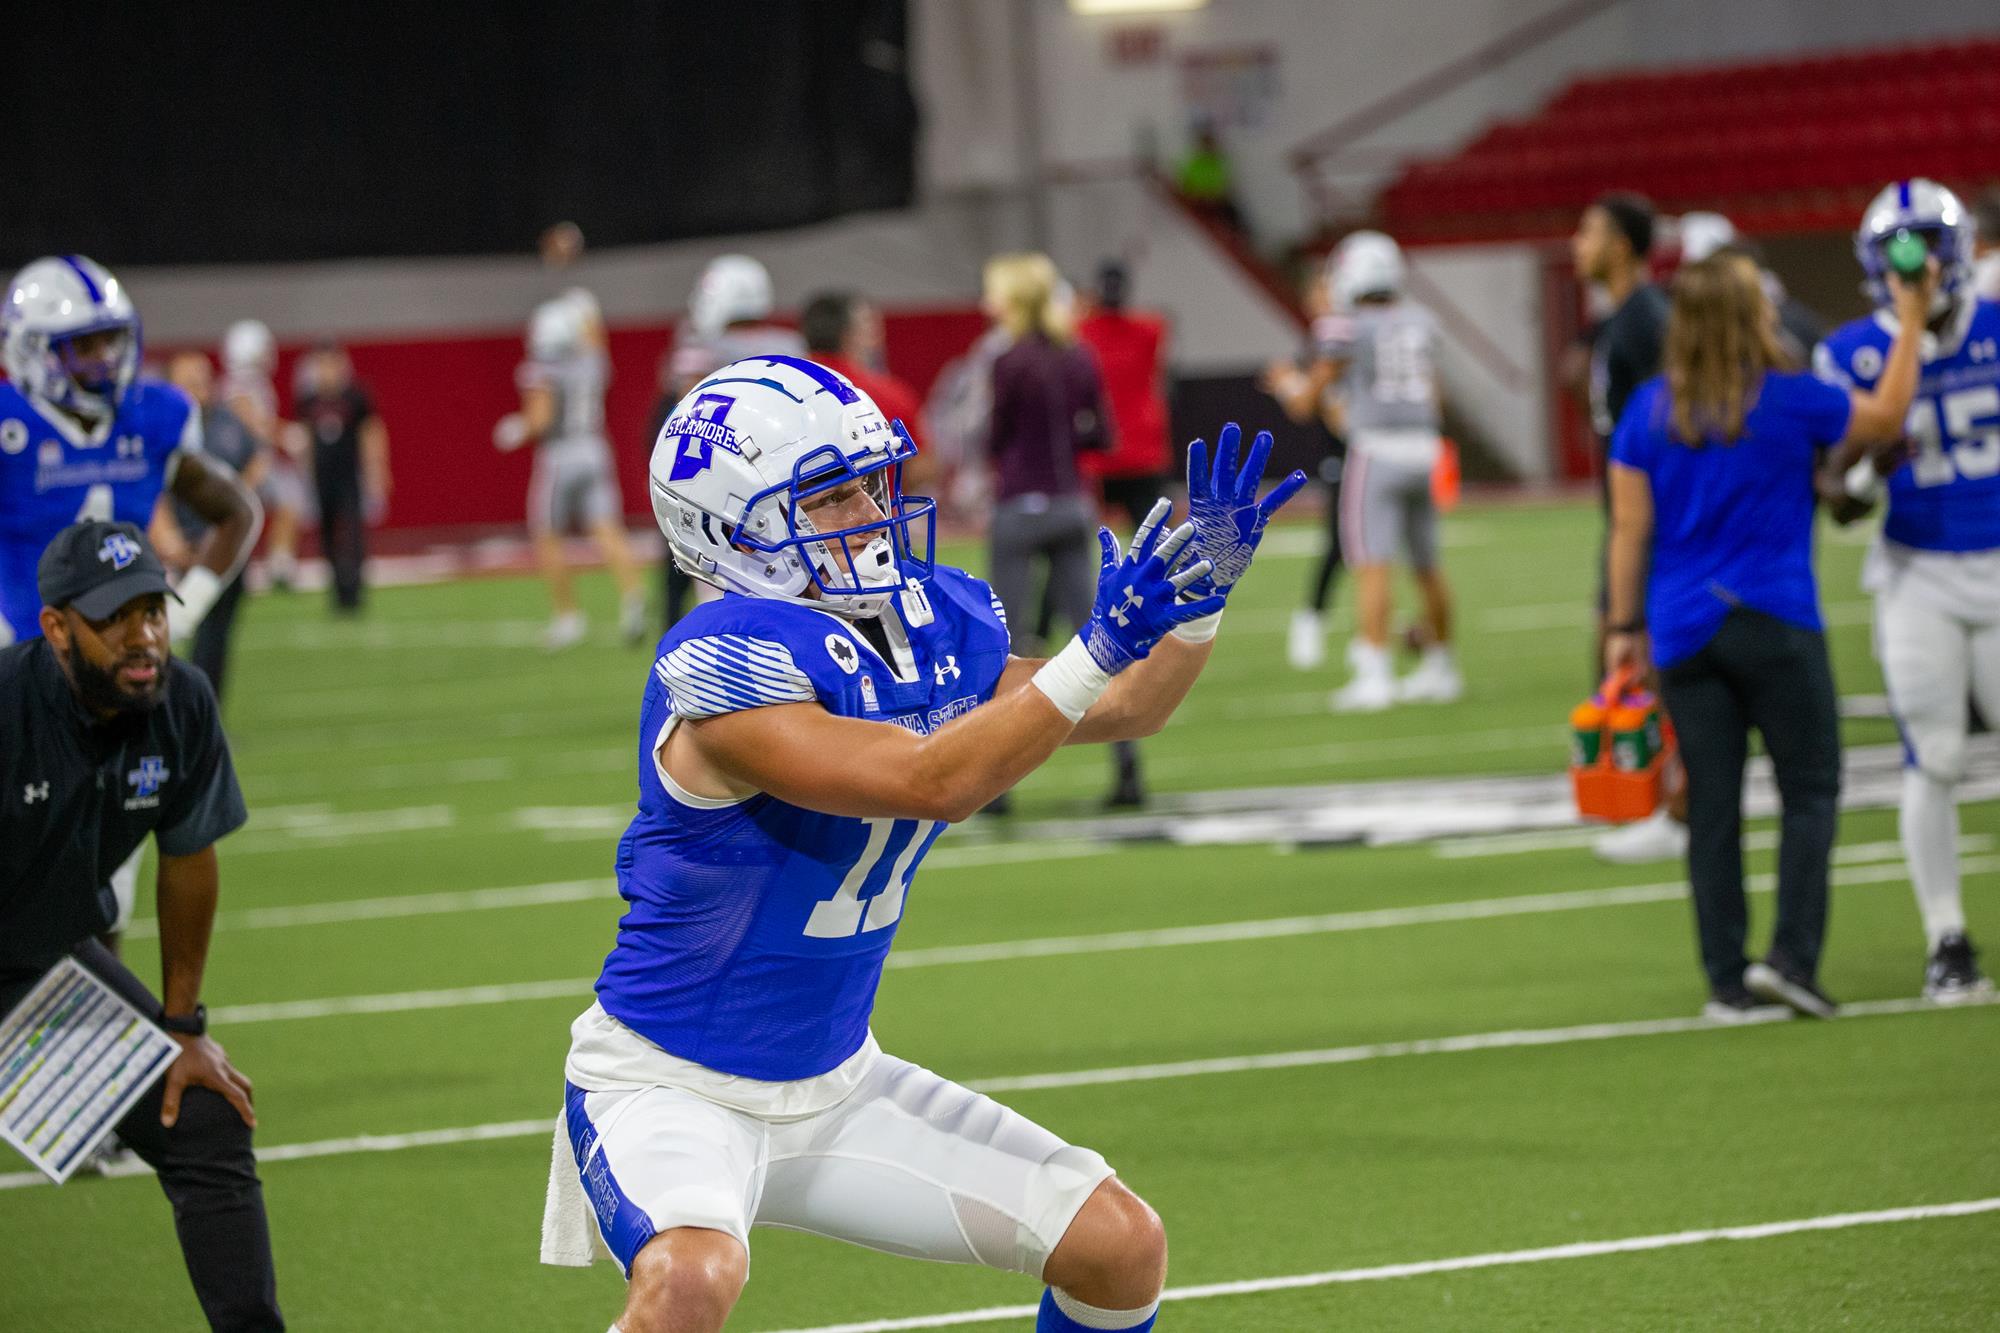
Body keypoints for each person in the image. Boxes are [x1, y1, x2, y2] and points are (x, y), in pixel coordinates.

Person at [539, 352, 1305, 1333]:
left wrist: (1198, 604)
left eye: (868, 479)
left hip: (835, 1081)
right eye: (826, 494)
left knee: (1118, 1246)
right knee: (691, 1280)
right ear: (732, 525)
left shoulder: (917, 620)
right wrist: (1094, 646)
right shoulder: (724, 662)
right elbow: (931, 781)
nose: (866, 507)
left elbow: (1119, 706)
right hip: (669, 1086)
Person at [1605, 254, 1932, 1021]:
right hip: (1778, 617)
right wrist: (1911, 320)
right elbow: (1887, 416)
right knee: (1810, 790)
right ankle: (1791, 958)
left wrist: (1624, 628)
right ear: (1756, 315)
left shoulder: (1649, 410)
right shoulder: (1792, 399)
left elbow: (1629, 530)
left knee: (1712, 809)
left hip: (1683, 629)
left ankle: (1725, 980)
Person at [0, 520, 282, 1331]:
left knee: (205, 1119)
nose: (143, 635)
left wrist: (182, 1026)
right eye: (114, 617)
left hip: (36, 967)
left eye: (152, 609)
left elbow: (188, 856)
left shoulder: (182, 703)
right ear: (56, 628)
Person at [0, 255, 260, 943]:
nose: (104, 359)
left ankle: (99, 1045)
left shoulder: (152, 416)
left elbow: (236, 509)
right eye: (84, 344)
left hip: (110, 686)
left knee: (103, 894)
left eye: (111, 340)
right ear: (33, 351)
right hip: (17, 681)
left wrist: (190, 603)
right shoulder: (9, 425)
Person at [1814, 178, 2000, 1002]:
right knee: (1937, 756)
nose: (1916, 266)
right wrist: (1862, 469)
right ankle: (1946, 936)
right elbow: (1836, 496)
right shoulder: (1855, 351)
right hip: (1918, 570)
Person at [979, 253, 1145, 808]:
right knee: (1097, 641)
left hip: (1018, 507)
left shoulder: (1007, 360)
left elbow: (995, 437)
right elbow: (1102, 434)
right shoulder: (1078, 356)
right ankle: (1128, 771)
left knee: (1001, 649)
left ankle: (994, 785)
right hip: (1071, 505)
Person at [1299, 232, 1461, 711]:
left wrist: (1299, 391)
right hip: (1425, 448)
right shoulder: (1422, 321)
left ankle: (1375, 674)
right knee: (1428, 564)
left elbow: (1313, 395)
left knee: (1372, 563)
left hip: (1377, 450)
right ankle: (1441, 667)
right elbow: (1437, 396)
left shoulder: (1346, 326)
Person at [1572, 193, 1687, 864]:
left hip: (1652, 518)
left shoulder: (1647, 317)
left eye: (1590, 231)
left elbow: (1674, 412)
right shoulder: (1618, 319)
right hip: (1625, 514)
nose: (1577, 242)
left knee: (1649, 652)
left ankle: (1676, 808)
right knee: (1618, 647)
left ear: (1622, 245)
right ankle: (1645, 799)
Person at [654, 254, 805, 631]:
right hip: (788, 475)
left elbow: (683, 421)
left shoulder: (702, 346)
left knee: (716, 581)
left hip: (723, 483)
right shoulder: (790, 343)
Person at [495, 288, 648, 649]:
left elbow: (540, 419)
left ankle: (567, 616)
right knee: (607, 528)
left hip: (560, 455)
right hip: (595, 447)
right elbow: (597, 340)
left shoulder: (541, 368)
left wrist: (516, 429)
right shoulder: (590, 361)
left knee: (547, 535)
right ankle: (633, 596)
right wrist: (587, 308)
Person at [154, 351, 266, 704]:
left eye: (203, 380)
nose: (199, 389)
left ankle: (206, 711)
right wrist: (167, 537)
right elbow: (148, 486)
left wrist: (240, 492)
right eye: (189, 382)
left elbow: (257, 458)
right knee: (159, 637)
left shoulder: (228, 421)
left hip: (221, 546)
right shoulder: (161, 427)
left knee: (215, 635)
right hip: (177, 548)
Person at [1261, 265, 1350, 671]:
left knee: (1365, 545)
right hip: (1346, 453)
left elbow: (1311, 403)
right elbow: (1315, 405)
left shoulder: (1344, 335)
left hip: (1367, 448)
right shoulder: (1327, 340)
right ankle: (1311, 620)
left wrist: (1288, 383)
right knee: (1342, 543)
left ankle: (1374, 636)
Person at [799, 289, 933, 490]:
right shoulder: (890, 394)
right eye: (870, 326)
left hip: (797, 518)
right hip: (878, 517)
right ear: (850, 334)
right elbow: (922, 468)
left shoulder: (781, 391)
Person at [291, 344, 390, 614]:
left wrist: (377, 472)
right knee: (327, 537)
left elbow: (371, 433)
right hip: (322, 478)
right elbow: (306, 441)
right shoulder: (308, 400)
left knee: (354, 534)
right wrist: (305, 477)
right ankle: (337, 592)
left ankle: (355, 590)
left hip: (349, 476)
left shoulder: (355, 397)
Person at [1076, 261, 1175, 526]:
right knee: (1153, 541)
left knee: (1085, 543)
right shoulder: (1152, 328)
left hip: (1098, 450)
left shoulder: (1079, 331)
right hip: (1142, 447)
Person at [220, 319, 306, 590]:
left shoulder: (256, 382)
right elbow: (252, 420)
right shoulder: (238, 385)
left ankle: (279, 563)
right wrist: (284, 434)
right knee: (244, 514)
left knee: (290, 499)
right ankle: (244, 566)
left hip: (261, 461)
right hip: (245, 463)